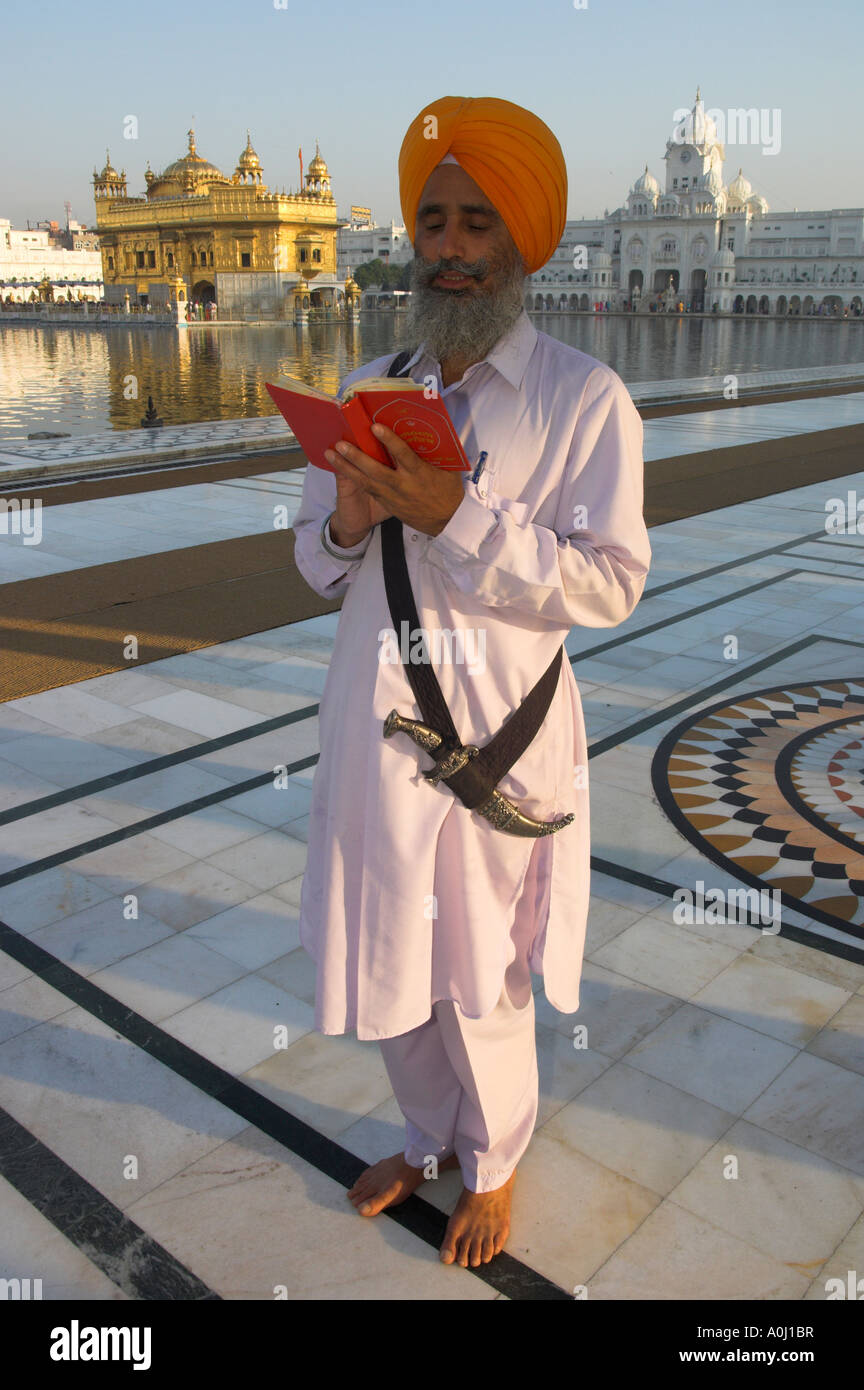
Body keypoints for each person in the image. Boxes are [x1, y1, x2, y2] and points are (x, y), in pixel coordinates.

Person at [291, 94, 651, 1270]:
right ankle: (426, 1136)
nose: (447, 245)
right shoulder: (370, 377)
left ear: (520, 242)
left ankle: (493, 1162)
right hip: (377, 733)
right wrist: (345, 523)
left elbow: (608, 584)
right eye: (433, 220)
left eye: (475, 222)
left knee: (484, 973)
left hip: (493, 739)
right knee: (394, 960)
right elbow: (313, 567)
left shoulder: (582, 400)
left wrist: (460, 516)